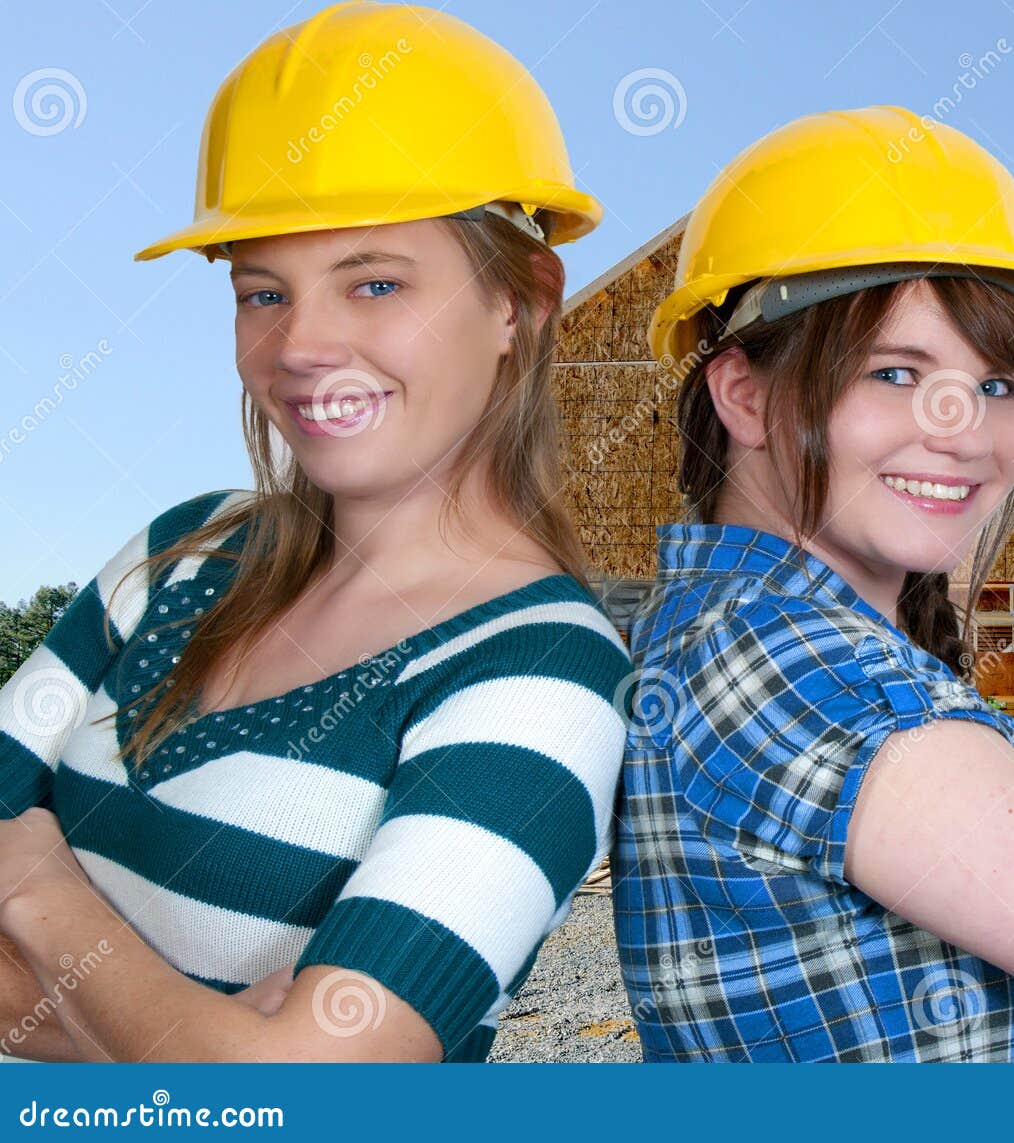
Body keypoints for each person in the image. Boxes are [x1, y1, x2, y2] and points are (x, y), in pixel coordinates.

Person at [0, 1, 631, 1062]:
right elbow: (251, 1077)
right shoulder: (182, 553)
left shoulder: (546, 680)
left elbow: (304, 1099)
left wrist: (33, 880)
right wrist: (190, 1034)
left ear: (520, 300)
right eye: (262, 292)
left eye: (376, 282)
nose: (301, 345)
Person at [613, 106, 1014, 1062]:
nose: (958, 426)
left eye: (998, 385)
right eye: (895, 371)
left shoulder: (739, 634)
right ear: (742, 392)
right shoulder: (794, 663)